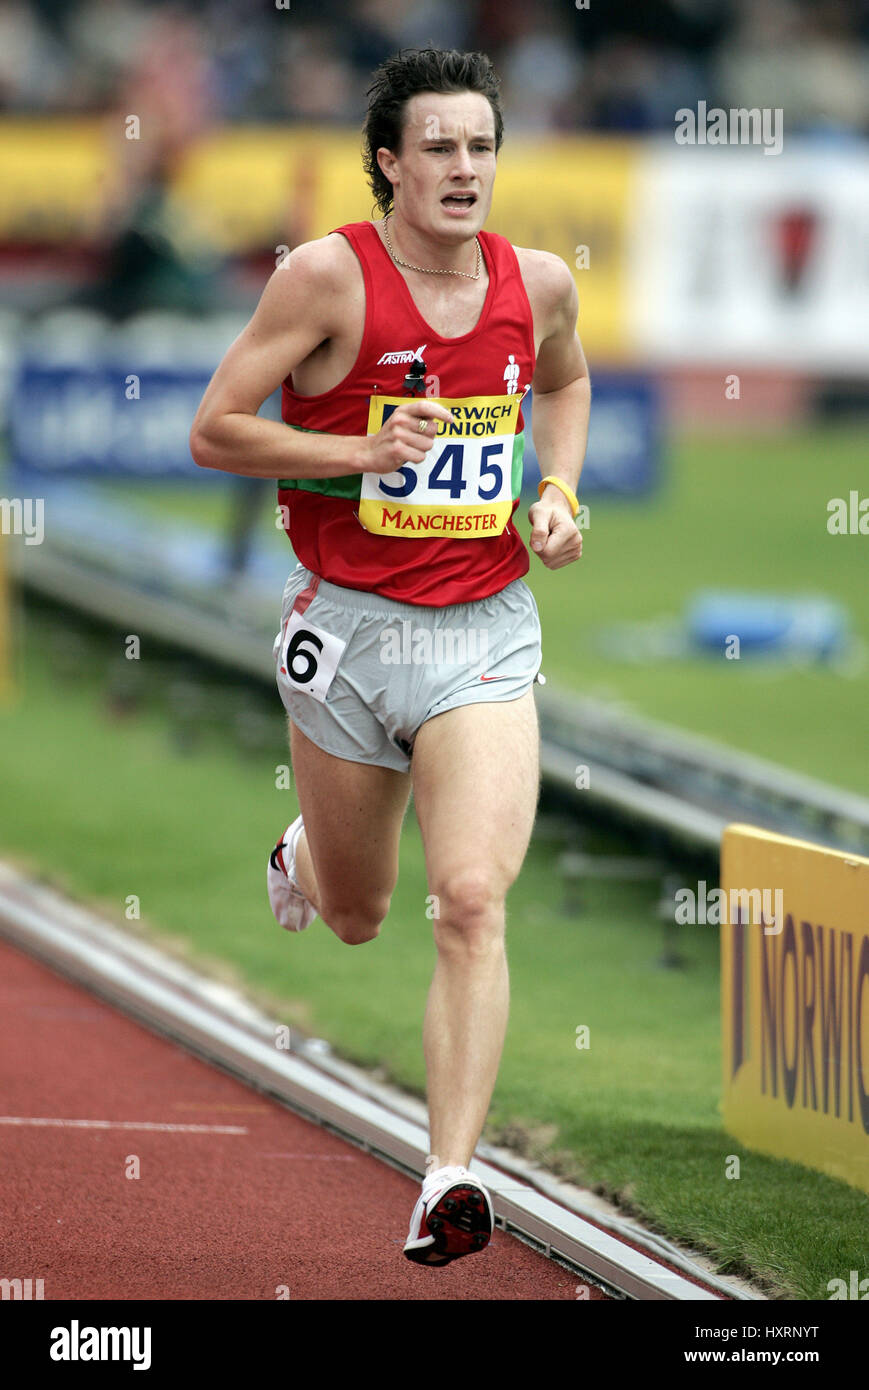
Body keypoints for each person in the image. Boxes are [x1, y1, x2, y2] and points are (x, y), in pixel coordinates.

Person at [190, 46, 590, 1267]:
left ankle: (448, 1178)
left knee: (469, 899)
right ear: (387, 162)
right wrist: (356, 453)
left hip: (482, 632)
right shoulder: (325, 280)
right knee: (360, 916)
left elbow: (564, 385)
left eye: (479, 146)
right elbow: (215, 429)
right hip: (348, 633)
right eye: (437, 147)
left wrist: (558, 491)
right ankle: (305, 849)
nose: (463, 169)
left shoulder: (539, 283)